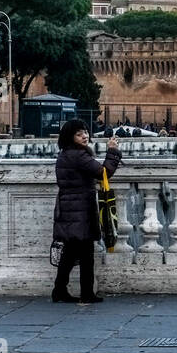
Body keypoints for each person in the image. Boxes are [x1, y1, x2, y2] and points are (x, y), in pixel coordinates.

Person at [52, 119, 121, 304]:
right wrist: (113, 151)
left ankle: (59, 291)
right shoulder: (78, 156)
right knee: (86, 254)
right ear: (70, 137)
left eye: (85, 132)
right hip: (80, 210)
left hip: (69, 208)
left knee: (69, 253)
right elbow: (104, 173)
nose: (85, 136)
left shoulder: (65, 154)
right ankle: (86, 293)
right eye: (79, 134)